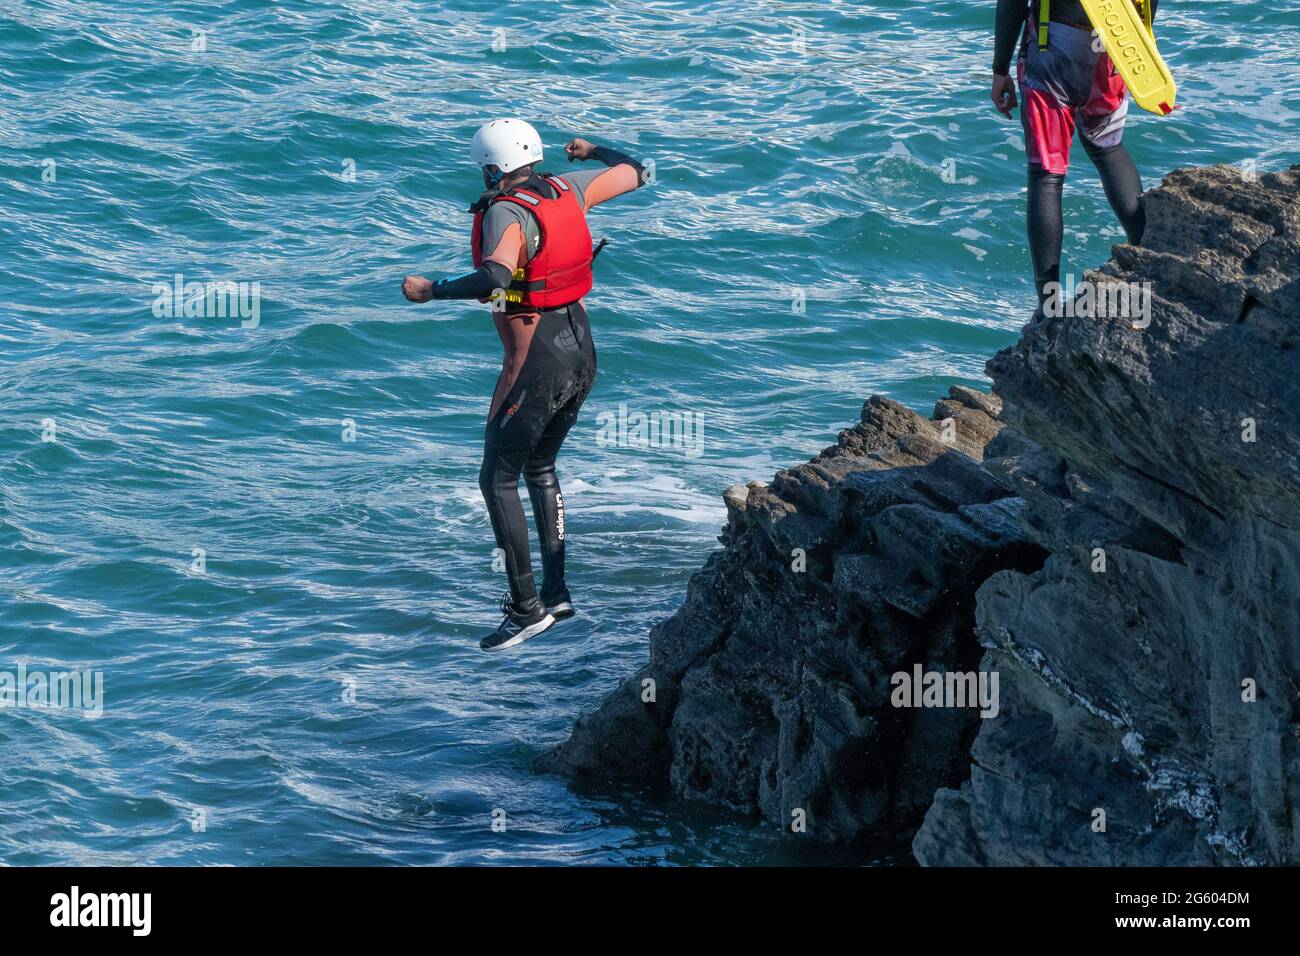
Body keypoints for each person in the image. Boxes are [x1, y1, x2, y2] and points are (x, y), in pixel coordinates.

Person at [402, 119, 648, 652]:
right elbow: (636, 171)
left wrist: (431, 291)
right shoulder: (567, 187)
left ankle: (524, 609)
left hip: (535, 365)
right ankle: (556, 593)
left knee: (497, 480)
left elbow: (495, 278)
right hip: (581, 354)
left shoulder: (505, 212)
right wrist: (591, 150)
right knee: (539, 467)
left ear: (493, 169)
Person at [991, 0, 1156, 310]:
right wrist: (1141, 53)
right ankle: (1151, 259)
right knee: (1108, 148)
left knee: (1046, 176)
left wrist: (999, 68)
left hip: (1052, 42)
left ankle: (1048, 304)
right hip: (1116, 43)